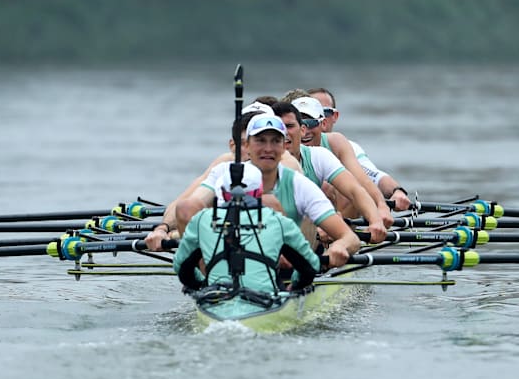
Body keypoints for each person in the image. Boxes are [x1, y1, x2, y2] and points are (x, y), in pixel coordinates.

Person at [173, 114, 362, 267]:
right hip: (229, 260)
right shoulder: (225, 173)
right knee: (186, 208)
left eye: (275, 141)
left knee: (268, 204)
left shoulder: (298, 183)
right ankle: (204, 280)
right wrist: (163, 229)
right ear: (246, 145)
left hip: (284, 268)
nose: (268, 149)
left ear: (283, 146)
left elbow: (350, 238)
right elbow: (191, 206)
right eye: (261, 141)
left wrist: (338, 248)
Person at [172, 162, 320, 295]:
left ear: (223, 192)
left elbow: (182, 268)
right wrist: (295, 286)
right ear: (260, 191)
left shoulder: (201, 220)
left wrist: (201, 285)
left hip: (216, 300)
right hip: (265, 302)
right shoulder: (278, 221)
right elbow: (310, 267)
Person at [269, 100, 388, 244]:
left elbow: (355, 190)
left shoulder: (318, 156)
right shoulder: (257, 165)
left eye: (290, 126)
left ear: (302, 130)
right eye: (279, 127)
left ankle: (334, 245)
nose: (285, 132)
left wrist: (375, 220)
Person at [287, 95, 404, 217]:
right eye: (299, 124)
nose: (305, 131)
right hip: (297, 212)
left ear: (323, 123)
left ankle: (339, 230)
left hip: (332, 214)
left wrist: (382, 204)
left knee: (343, 186)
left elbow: (364, 178)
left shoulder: (338, 143)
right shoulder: (279, 149)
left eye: (311, 122)